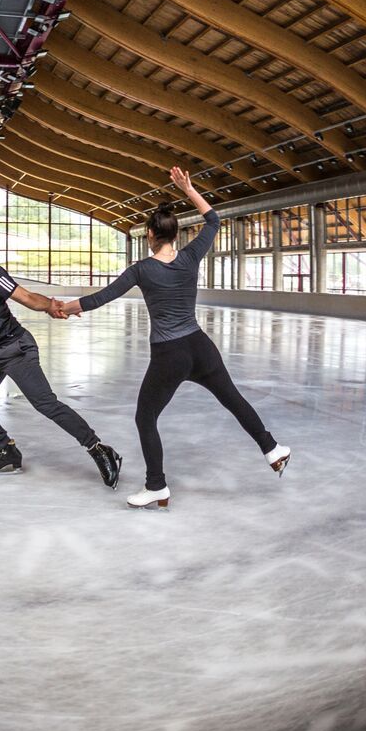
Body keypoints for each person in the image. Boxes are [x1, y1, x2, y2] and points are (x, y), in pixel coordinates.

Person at [59, 167, 290, 509]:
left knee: (145, 417)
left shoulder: (141, 269)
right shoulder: (190, 257)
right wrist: (188, 188)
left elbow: (102, 298)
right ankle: (272, 448)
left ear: (150, 234)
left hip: (170, 354)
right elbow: (213, 221)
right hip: (200, 347)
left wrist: (66, 308)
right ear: (176, 234)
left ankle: (157, 486)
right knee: (233, 399)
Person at [0, 215, 121, 486]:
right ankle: (7, 450)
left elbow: (27, 297)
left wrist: (54, 306)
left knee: (46, 403)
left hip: (15, 348)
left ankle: (99, 449)